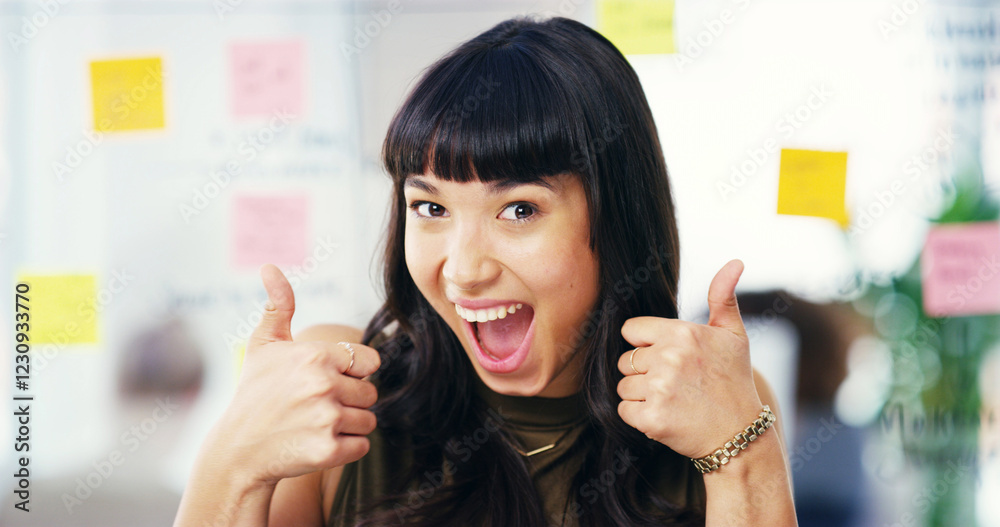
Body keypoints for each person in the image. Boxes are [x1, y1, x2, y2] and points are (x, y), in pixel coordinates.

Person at [173, 15, 797, 527]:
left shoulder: (716, 406)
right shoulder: (338, 397)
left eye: (519, 209)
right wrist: (234, 459)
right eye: (431, 207)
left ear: (617, 219)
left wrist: (745, 459)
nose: (464, 270)